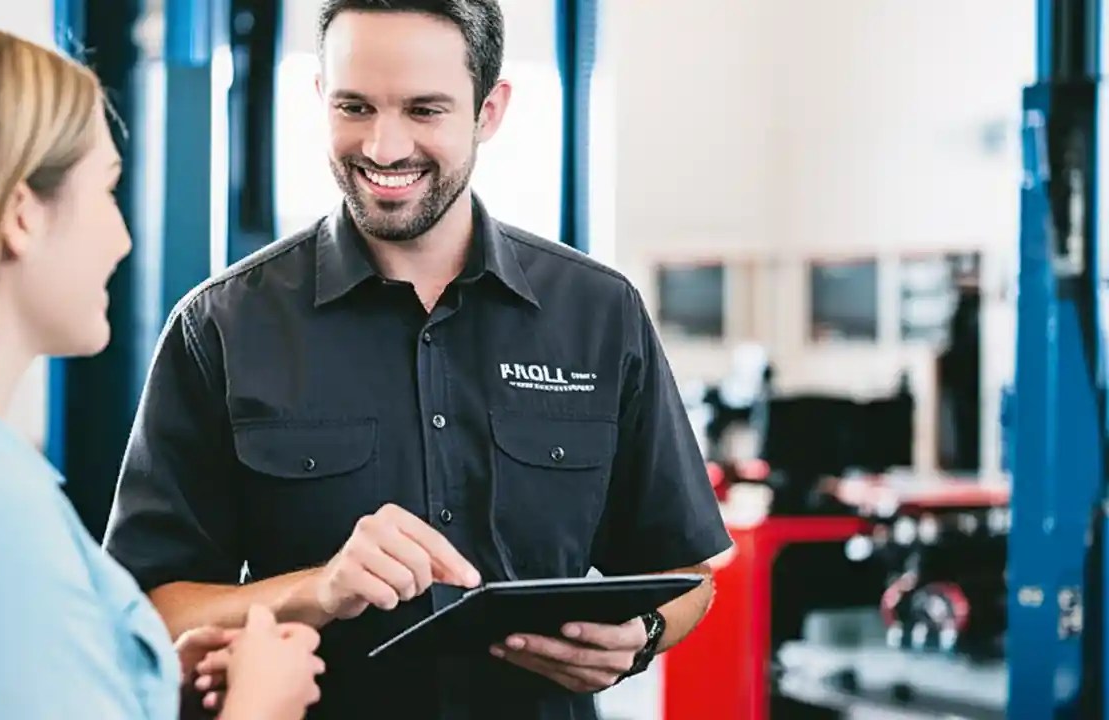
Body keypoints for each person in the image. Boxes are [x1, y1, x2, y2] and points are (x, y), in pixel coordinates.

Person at [103, 0, 733, 717]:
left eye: (425, 110)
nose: (383, 146)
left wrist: (642, 635)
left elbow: (687, 570)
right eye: (355, 107)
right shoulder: (220, 326)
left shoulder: (598, 312)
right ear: (320, 99)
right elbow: (147, 614)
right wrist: (320, 589)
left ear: (488, 111)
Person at [0, 22, 322, 719]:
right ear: (21, 215)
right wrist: (262, 703)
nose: (122, 238)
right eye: (108, 191)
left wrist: (136, 686)